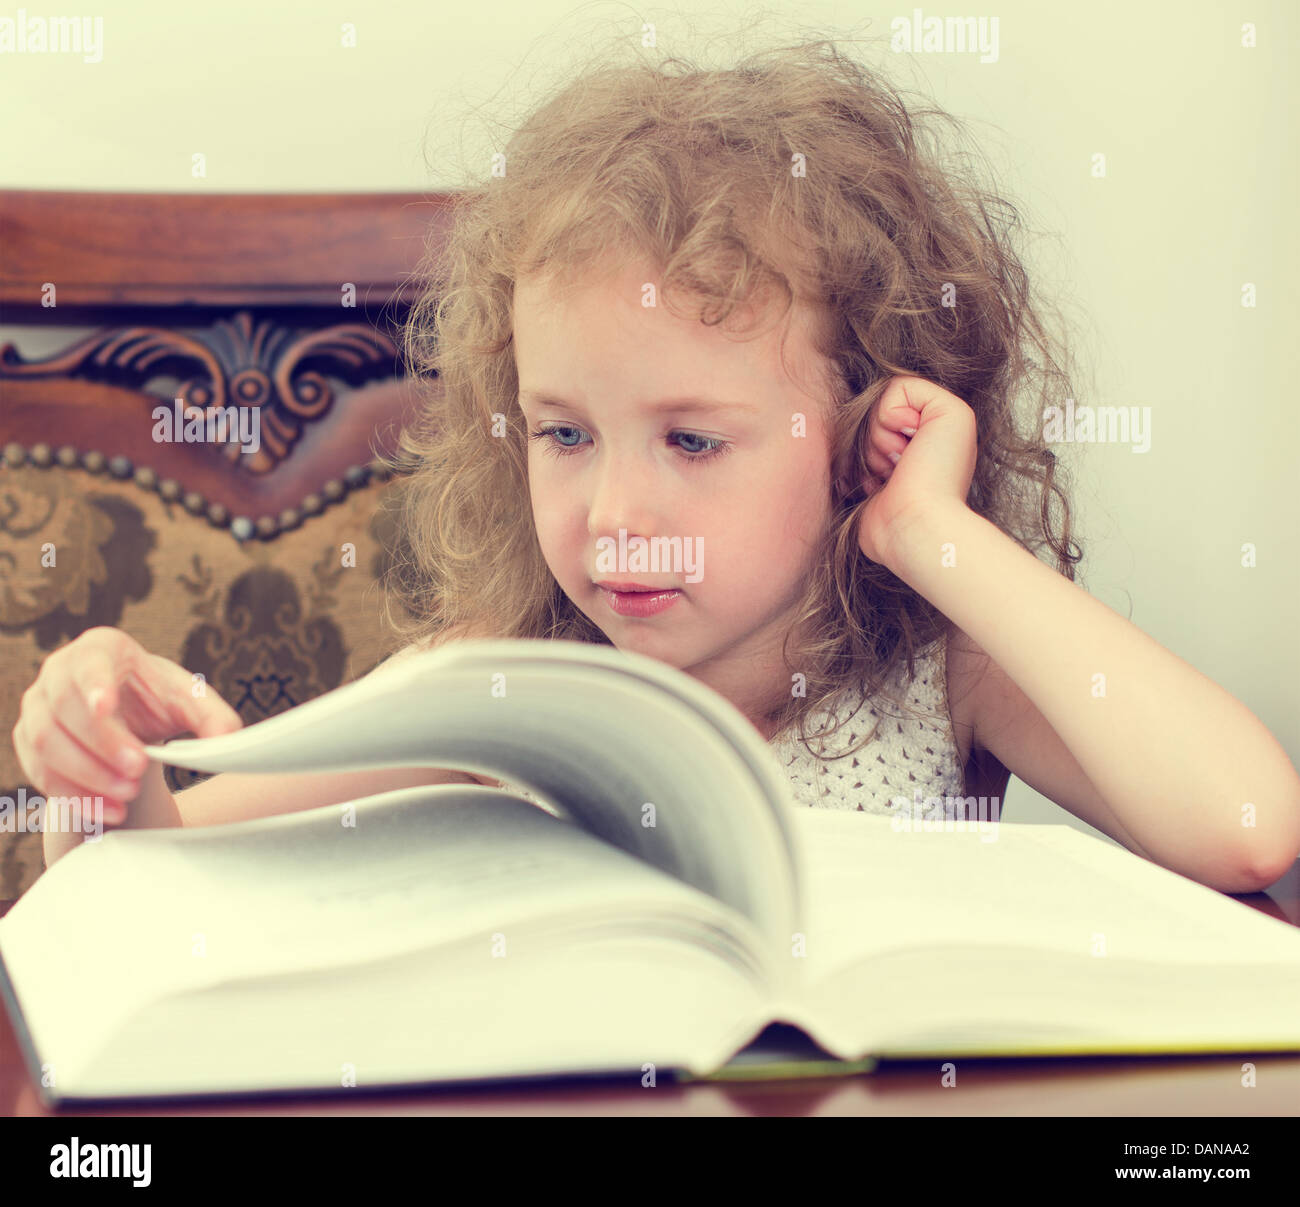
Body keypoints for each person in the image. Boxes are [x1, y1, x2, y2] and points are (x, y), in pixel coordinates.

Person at [15, 40, 1299, 893]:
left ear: (860, 426)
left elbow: (1245, 829)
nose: (618, 517)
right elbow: (165, 863)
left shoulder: (943, 671)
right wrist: (102, 763)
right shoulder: (498, 688)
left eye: (691, 440)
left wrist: (932, 535)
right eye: (563, 434)